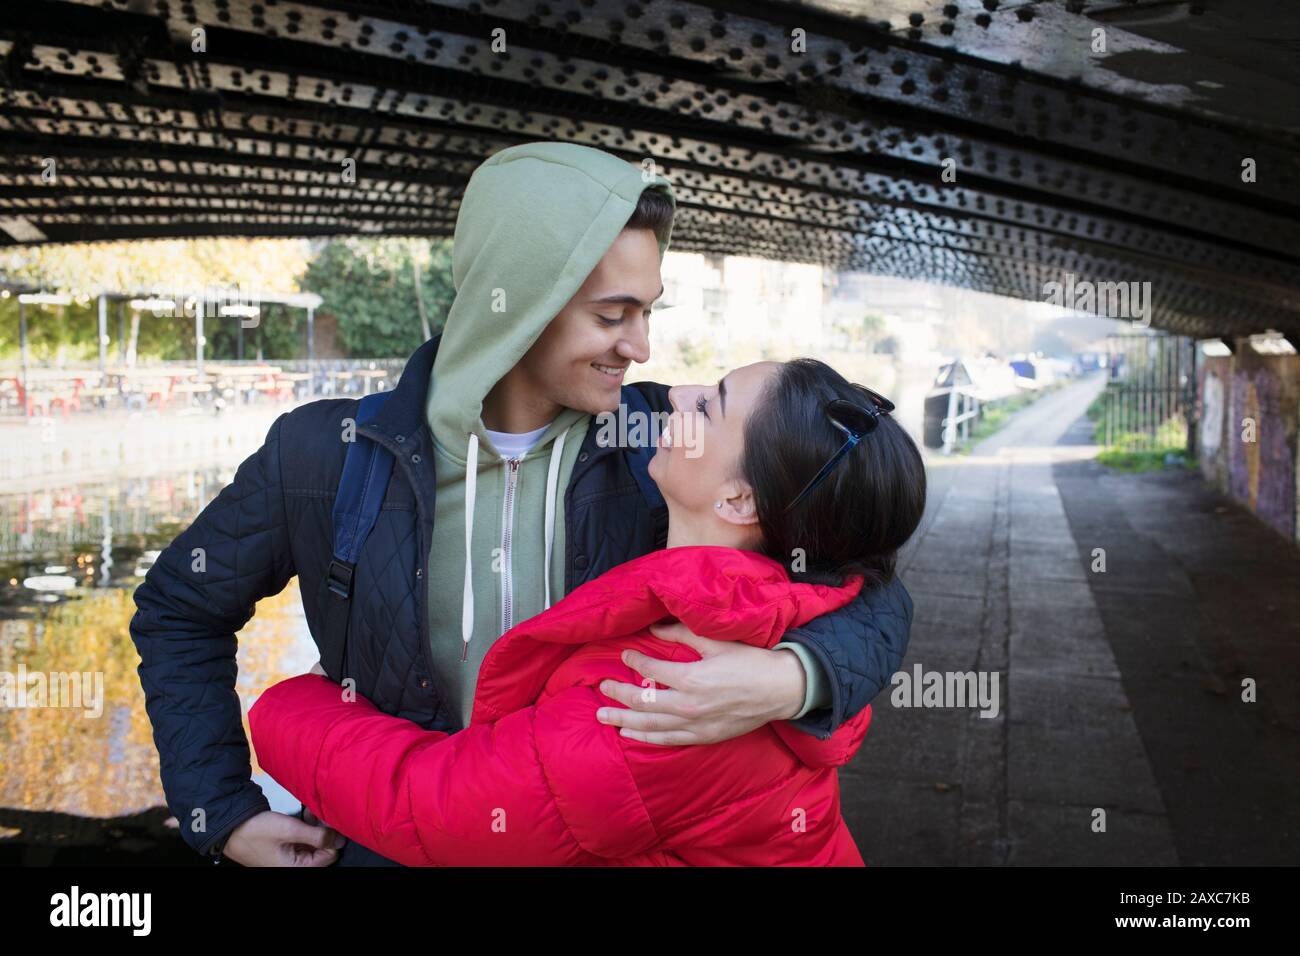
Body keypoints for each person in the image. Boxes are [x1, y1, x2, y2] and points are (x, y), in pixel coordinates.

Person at [129, 141, 916, 866]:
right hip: (372, 844)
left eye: (649, 311)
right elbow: (179, 609)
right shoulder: (320, 454)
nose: (640, 346)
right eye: (612, 315)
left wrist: (796, 676)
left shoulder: (661, 447)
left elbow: (863, 576)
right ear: (517, 306)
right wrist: (219, 810)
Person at [249, 358, 926, 865]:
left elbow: (444, 810)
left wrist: (286, 708)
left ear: (739, 502)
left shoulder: (664, 689)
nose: (677, 391)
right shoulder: (788, 601)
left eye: (712, 404)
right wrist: (804, 675)